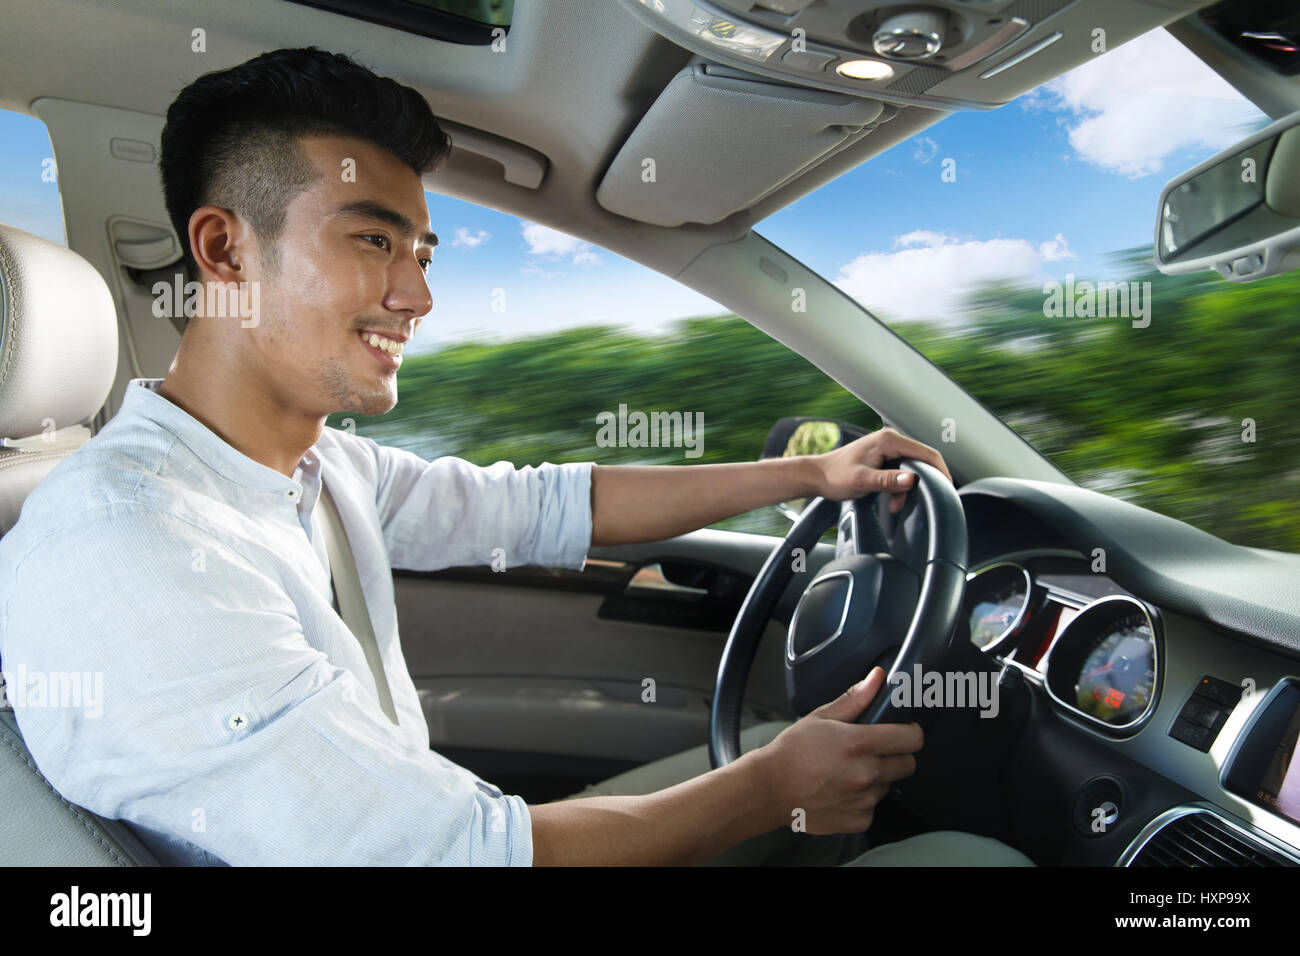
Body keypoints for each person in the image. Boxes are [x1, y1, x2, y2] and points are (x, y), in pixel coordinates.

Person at [0, 47, 1030, 867]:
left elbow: (543, 507)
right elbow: (458, 855)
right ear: (225, 250)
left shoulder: (314, 468)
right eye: (373, 241)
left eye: (421, 252)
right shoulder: (128, 546)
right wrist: (772, 791)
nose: (418, 296)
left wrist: (808, 475)